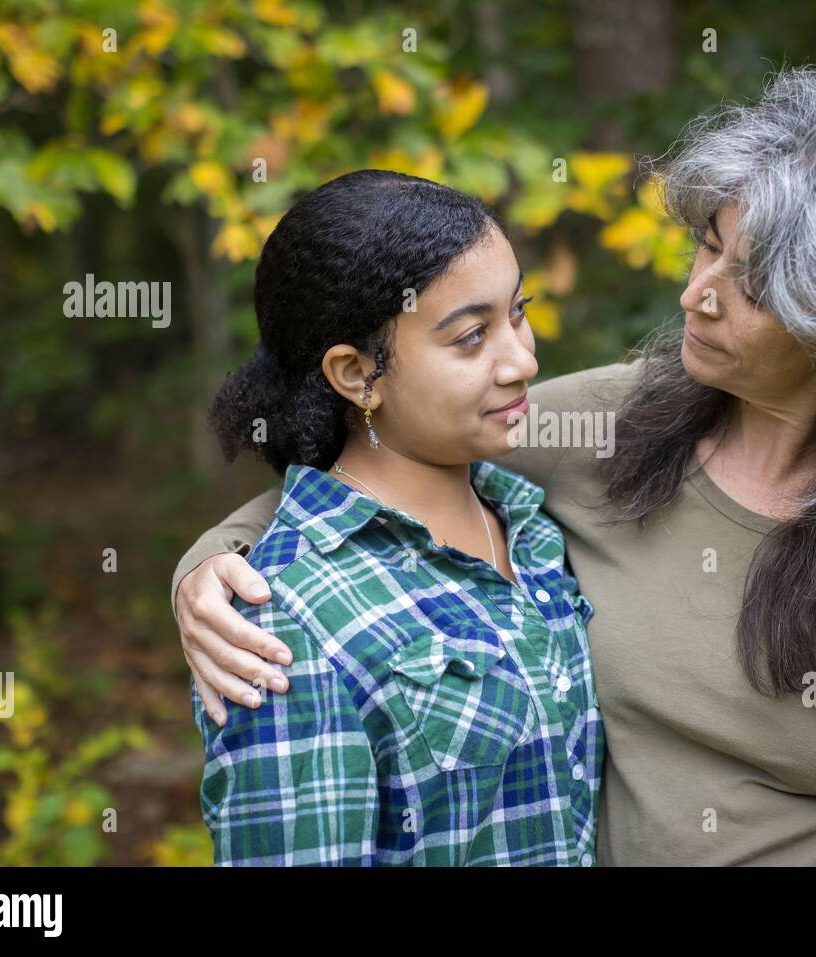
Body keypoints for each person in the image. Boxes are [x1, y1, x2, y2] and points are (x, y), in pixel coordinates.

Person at [179, 66, 816, 865]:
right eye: (708, 245)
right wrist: (207, 570)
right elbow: (383, 453)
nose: (696, 293)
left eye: (754, 284)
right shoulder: (610, 424)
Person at [194, 169, 601, 865]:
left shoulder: (533, 525)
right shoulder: (284, 621)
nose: (523, 358)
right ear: (357, 375)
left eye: (519, 312)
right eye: (472, 337)